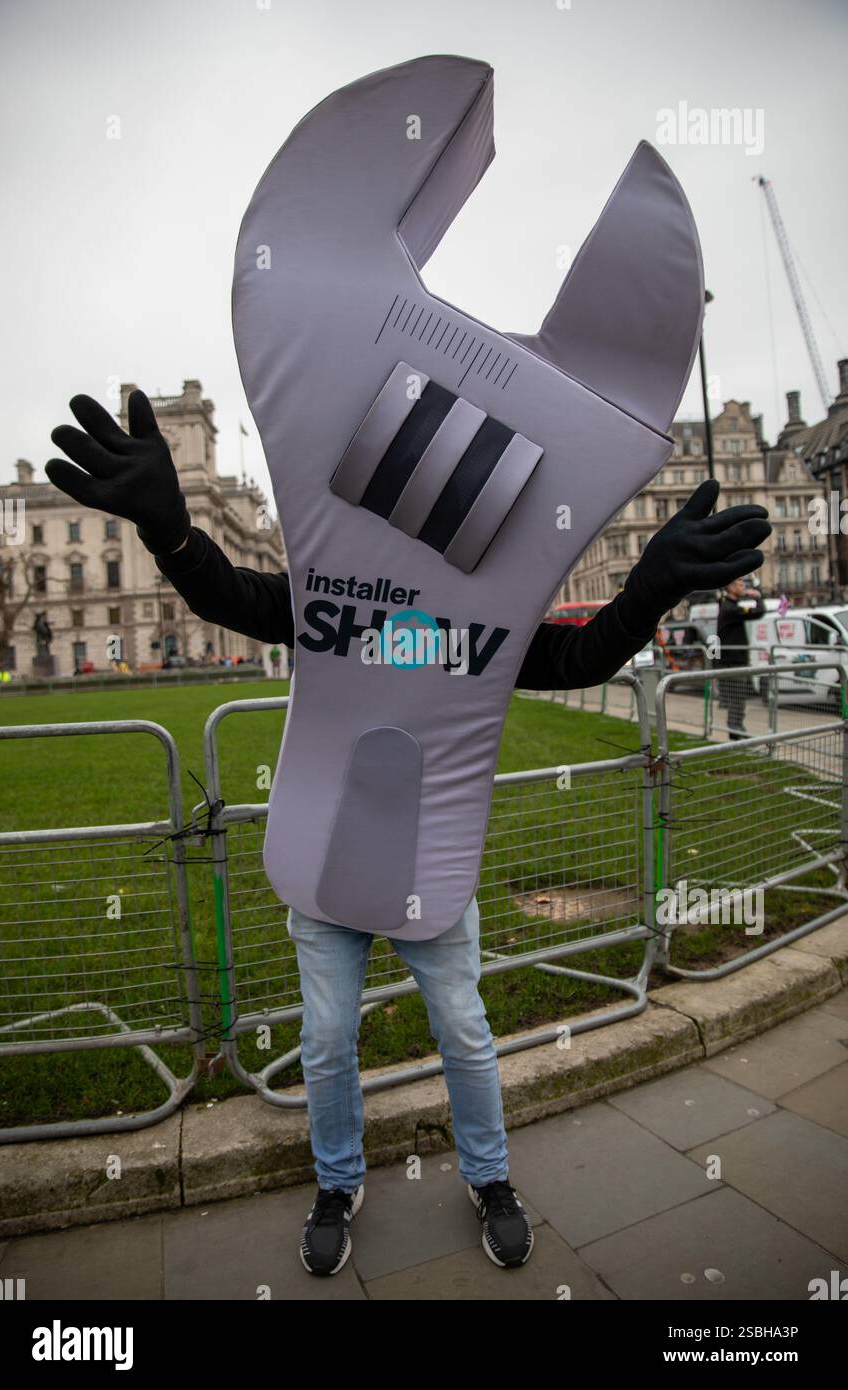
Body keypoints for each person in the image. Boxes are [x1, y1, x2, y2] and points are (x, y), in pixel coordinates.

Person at [45, 390, 770, 1275]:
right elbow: (230, 593)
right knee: (324, 1038)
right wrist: (170, 530)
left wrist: (644, 595)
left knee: (463, 1028)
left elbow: (575, 658)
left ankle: (491, 1176)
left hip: (429, 851)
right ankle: (337, 1181)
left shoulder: (479, 620)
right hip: (326, 851)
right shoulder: (334, 592)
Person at [715, 577, 767, 739]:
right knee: (737, 700)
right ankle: (736, 732)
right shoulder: (730, 609)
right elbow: (758, 612)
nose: (743, 586)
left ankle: (737, 731)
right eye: (739, 584)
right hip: (732, 663)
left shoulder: (730, 607)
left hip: (733, 661)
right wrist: (758, 597)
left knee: (737, 700)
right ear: (730, 588)